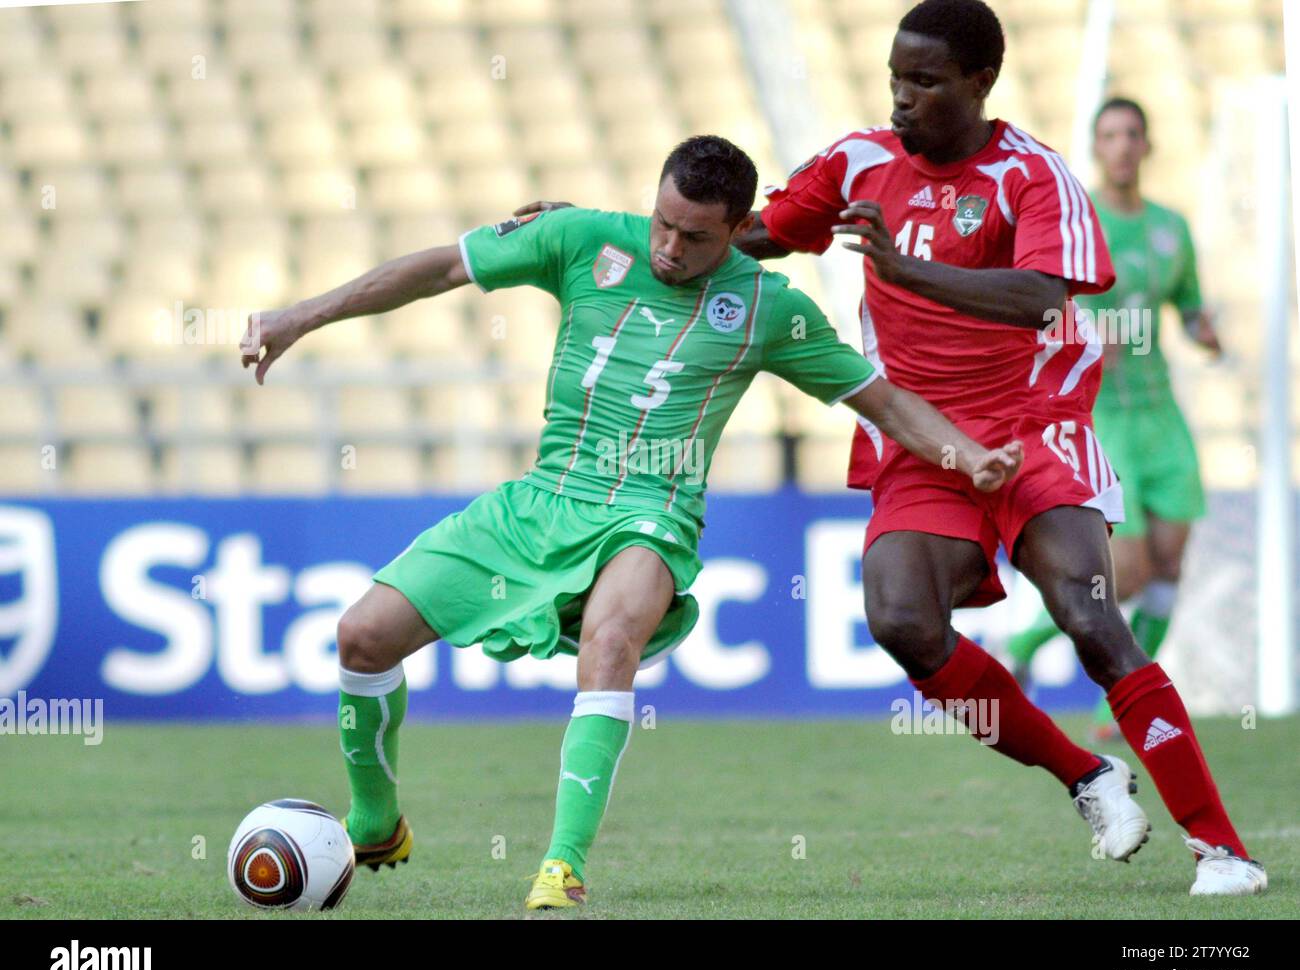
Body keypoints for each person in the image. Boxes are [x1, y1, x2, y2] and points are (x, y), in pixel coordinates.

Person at [239, 135, 1022, 910]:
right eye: (663, 223)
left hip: (652, 516)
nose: (671, 247)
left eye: (696, 237)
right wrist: (303, 315)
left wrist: (967, 455)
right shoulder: (582, 237)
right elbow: (441, 267)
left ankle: (561, 868)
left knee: (611, 644)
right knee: (361, 635)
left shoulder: (769, 310)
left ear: (738, 227)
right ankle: (374, 823)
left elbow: (879, 401)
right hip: (542, 500)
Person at [734, 0, 1261, 895]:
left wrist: (905, 271)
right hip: (919, 438)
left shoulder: (1033, 174)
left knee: (1093, 622)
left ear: (981, 83)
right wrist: (626, 240)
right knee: (901, 622)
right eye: (896, 77)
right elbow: (752, 235)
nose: (902, 98)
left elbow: (1040, 298)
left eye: (926, 81)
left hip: (1033, 425)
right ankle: (1087, 776)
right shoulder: (856, 160)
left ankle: (1222, 850)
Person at [1006, 97, 1222, 742]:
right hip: (1101, 416)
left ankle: (1117, 708)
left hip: (1163, 418)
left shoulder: (1171, 228)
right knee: (1124, 571)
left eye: (1133, 134)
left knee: (1170, 563)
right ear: (1097, 148)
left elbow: (1187, 305)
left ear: (1147, 145)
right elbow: (1041, 303)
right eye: (1110, 136)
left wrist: (1203, 329)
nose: (1122, 145)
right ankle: (1026, 641)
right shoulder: (1079, 219)